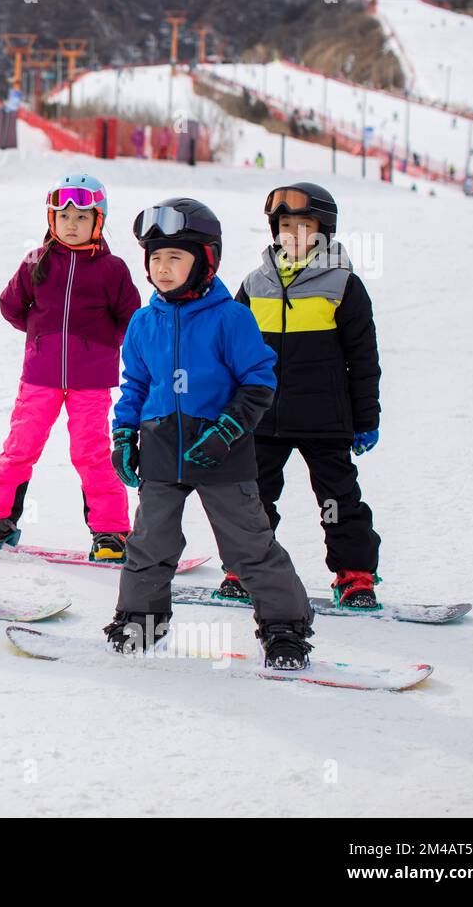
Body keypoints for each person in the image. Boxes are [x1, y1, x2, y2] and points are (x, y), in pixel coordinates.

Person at [108, 198, 314, 669]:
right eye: (156, 258)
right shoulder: (143, 322)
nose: (162, 267)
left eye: (175, 257)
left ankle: (285, 628)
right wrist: (123, 433)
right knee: (150, 541)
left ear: (205, 260)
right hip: (162, 447)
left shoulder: (230, 317)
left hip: (222, 450)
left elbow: (260, 378)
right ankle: (140, 617)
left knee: (248, 544)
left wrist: (227, 430)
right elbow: (135, 384)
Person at [230, 183, 383, 608]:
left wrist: (366, 419)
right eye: (285, 225)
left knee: (338, 502)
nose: (293, 233)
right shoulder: (254, 284)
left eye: (305, 224)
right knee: (252, 499)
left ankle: (354, 575)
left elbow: (363, 358)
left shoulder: (342, 285)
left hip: (326, 421)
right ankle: (245, 569)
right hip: (263, 420)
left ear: (324, 230)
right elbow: (232, 352)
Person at [0, 174, 141, 560]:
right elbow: (11, 306)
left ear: (98, 221)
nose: (71, 223)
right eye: (63, 215)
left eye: (81, 217)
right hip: (40, 377)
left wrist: (99, 346)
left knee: (91, 452)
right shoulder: (36, 262)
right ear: (51, 219)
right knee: (20, 447)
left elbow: (131, 318)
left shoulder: (111, 269)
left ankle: (111, 532)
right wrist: (39, 337)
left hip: (91, 381)